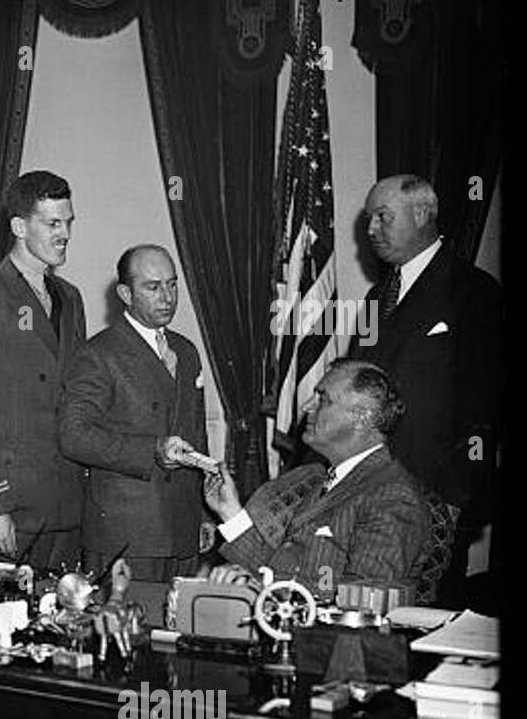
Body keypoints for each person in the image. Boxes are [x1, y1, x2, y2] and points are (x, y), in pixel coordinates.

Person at [349, 175, 502, 603]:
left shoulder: (476, 293)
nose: (371, 230)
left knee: (425, 633)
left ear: (421, 214)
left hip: (434, 502)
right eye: (369, 220)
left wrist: (455, 500)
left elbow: (484, 408)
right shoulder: (377, 298)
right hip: (368, 498)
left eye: (383, 217)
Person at [0, 170, 87, 569]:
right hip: (11, 508)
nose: (65, 234)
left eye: (69, 222)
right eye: (52, 224)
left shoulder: (70, 298)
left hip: (66, 501)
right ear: (18, 227)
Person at [205, 359, 429, 595]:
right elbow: (283, 563)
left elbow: (363, 599)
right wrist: (229, 512)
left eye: (323, 399)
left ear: (362, 416)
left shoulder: (392, 496)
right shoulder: (319, 478)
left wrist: (264, 584)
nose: (307, 407)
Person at [59, 245, 209, 581]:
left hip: (183, 531)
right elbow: (74, 436)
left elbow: (198, 436)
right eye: (153, 287)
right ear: (125, 293)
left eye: (172, 285)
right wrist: (151, 450)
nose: (167, 297)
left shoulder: (186, 351)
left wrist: (203, 512)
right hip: (126, 534)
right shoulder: (98, 354)